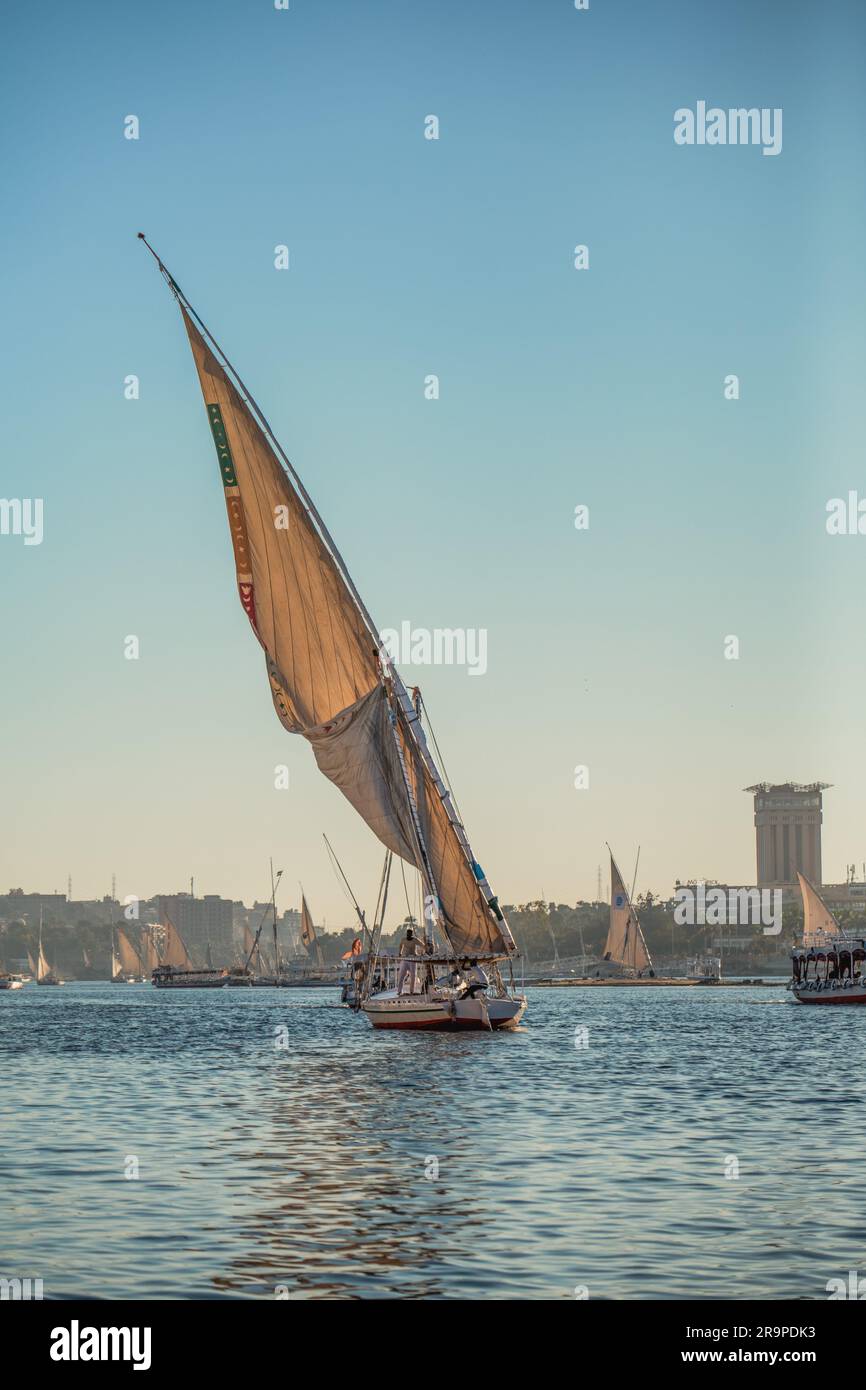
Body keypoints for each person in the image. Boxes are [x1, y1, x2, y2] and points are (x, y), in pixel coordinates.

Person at [397, 927, 422, 995]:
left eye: (410, 934)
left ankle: (411, 991)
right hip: (404, 959)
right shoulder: (403, 939)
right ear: (406, 934)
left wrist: (422, 952)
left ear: (412, 934)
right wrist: (400, 952)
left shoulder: (415, 940)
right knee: (401, 975)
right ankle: (399, 991)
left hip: (412, 960)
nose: (408, 935)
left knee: (413, 976)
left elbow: (422, 945)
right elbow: (400, 945)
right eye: (407, 934)